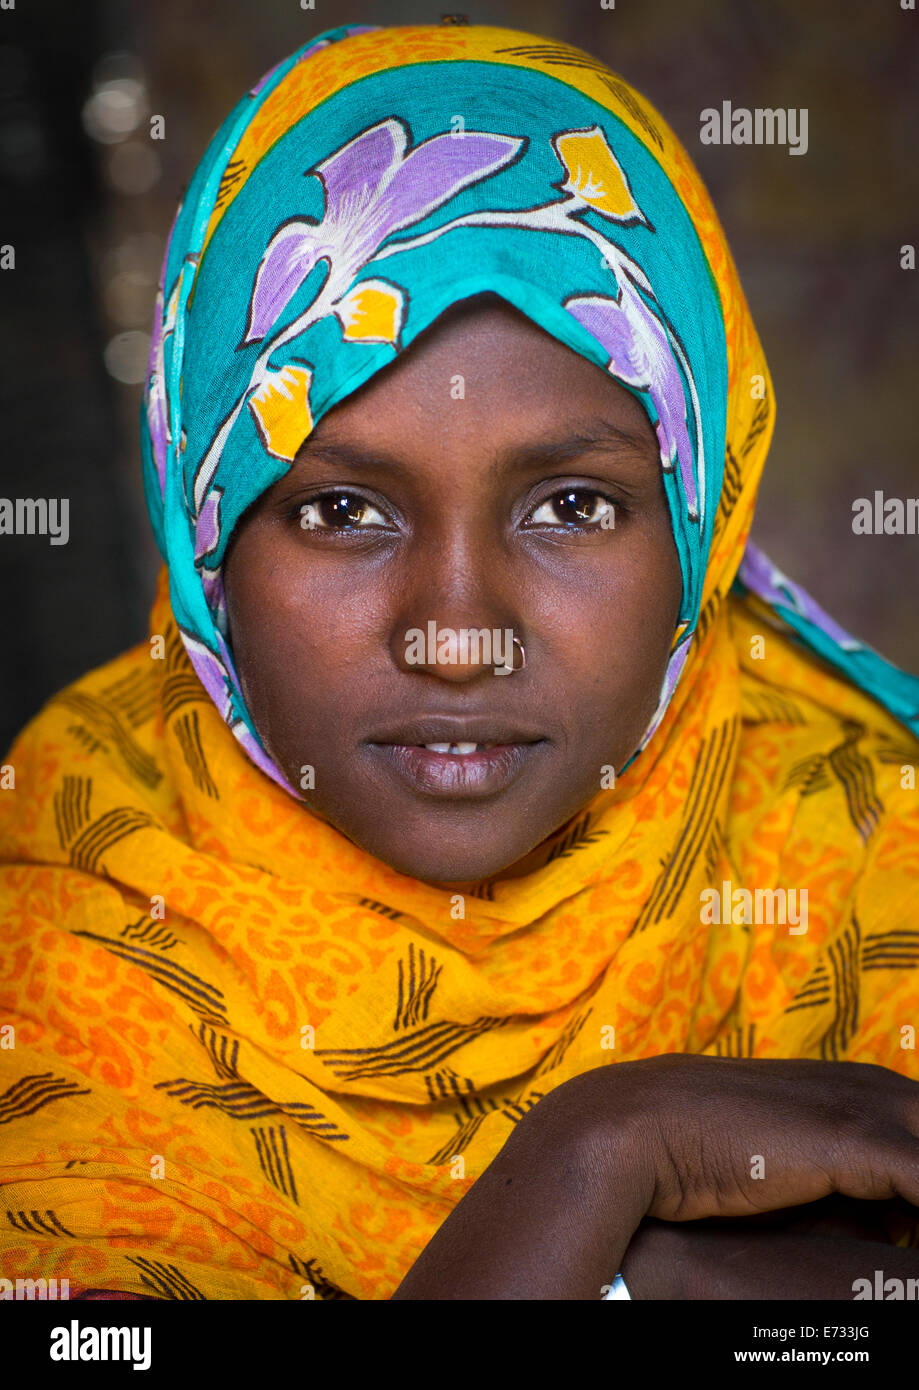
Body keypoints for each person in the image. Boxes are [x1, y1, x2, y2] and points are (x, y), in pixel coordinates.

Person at [1, 18, 918, 1302]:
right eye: (340, 510)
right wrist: (594, 1166)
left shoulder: (860, 846)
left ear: (698, 531)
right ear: (207, 547)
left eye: (571, 506)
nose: (455, 631)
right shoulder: (74, 921)